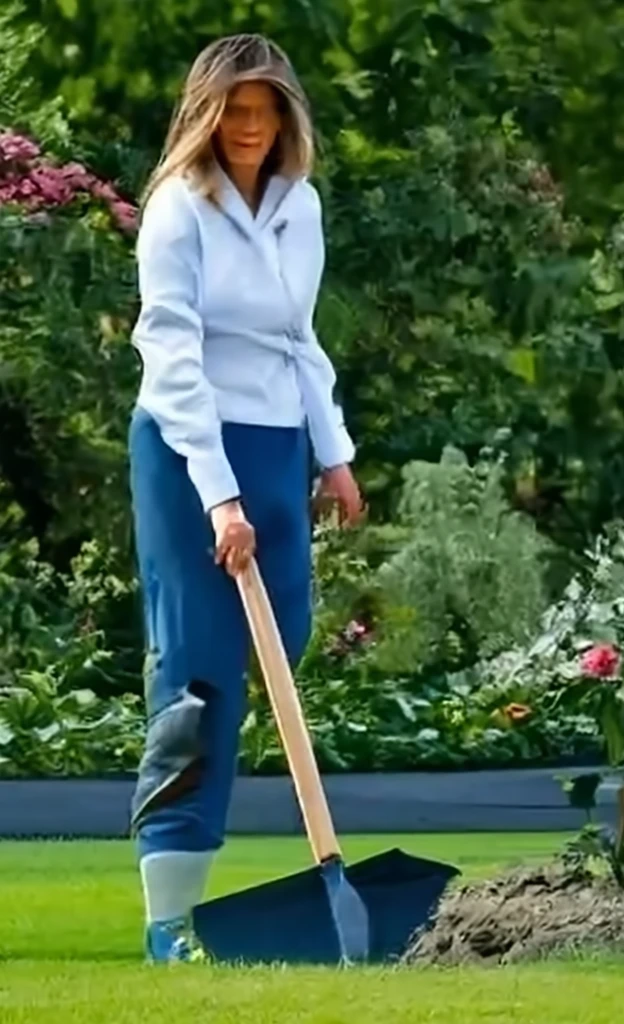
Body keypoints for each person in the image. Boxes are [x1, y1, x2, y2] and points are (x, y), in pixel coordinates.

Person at [127, 34, 363, 963]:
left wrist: (333, 455)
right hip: (188, 450)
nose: (251, 127)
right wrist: (219, 497)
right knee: (198, 679)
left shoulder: (299, 206)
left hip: (277, 442)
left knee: (285, 639)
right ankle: (167, 916)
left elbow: (300, 340)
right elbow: (173, 356)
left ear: (287, 118)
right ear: (207, 113)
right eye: (235, 110)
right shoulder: (176, 210)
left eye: (265, 110)